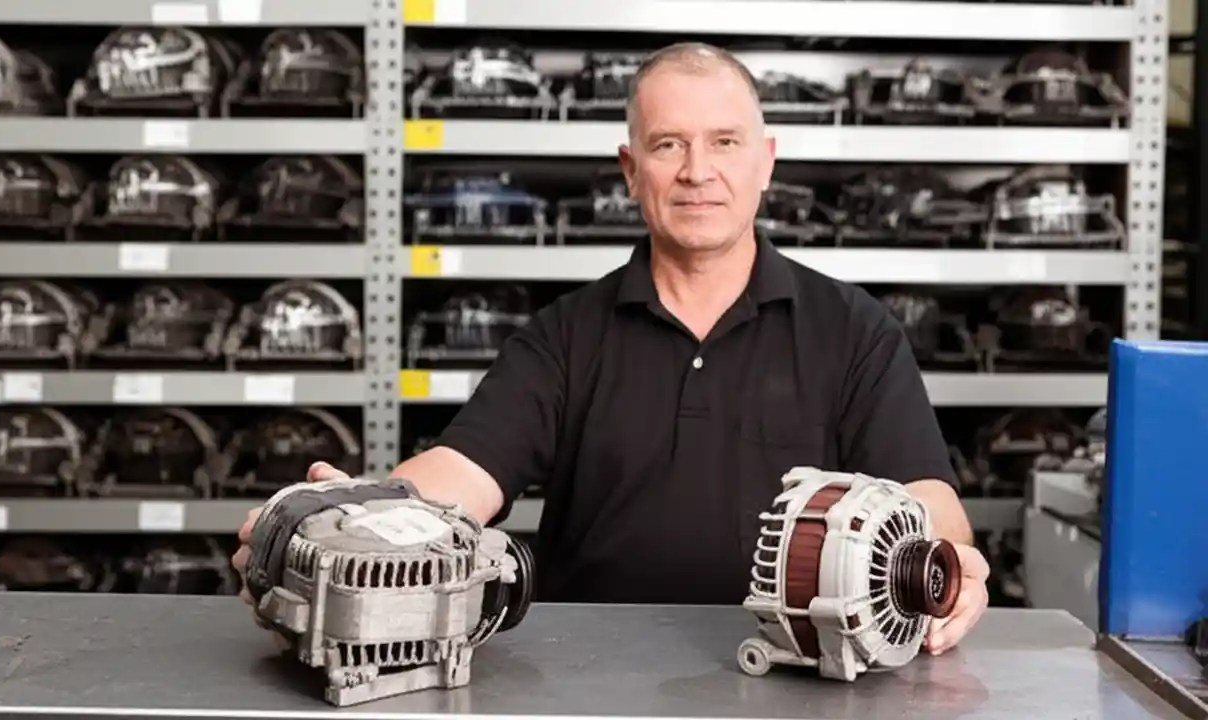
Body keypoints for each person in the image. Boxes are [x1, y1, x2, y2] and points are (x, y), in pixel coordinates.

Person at [233, 41, 989, 656]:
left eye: (724, 142)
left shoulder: (853, 330)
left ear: (766, 161)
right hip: (580, 673)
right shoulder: (566, 333)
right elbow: (460, 477)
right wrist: (353, 518)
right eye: (669, 145)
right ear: (632, 170)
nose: (698, 171)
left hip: (803, 672)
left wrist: (950, 561)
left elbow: (928, 498)